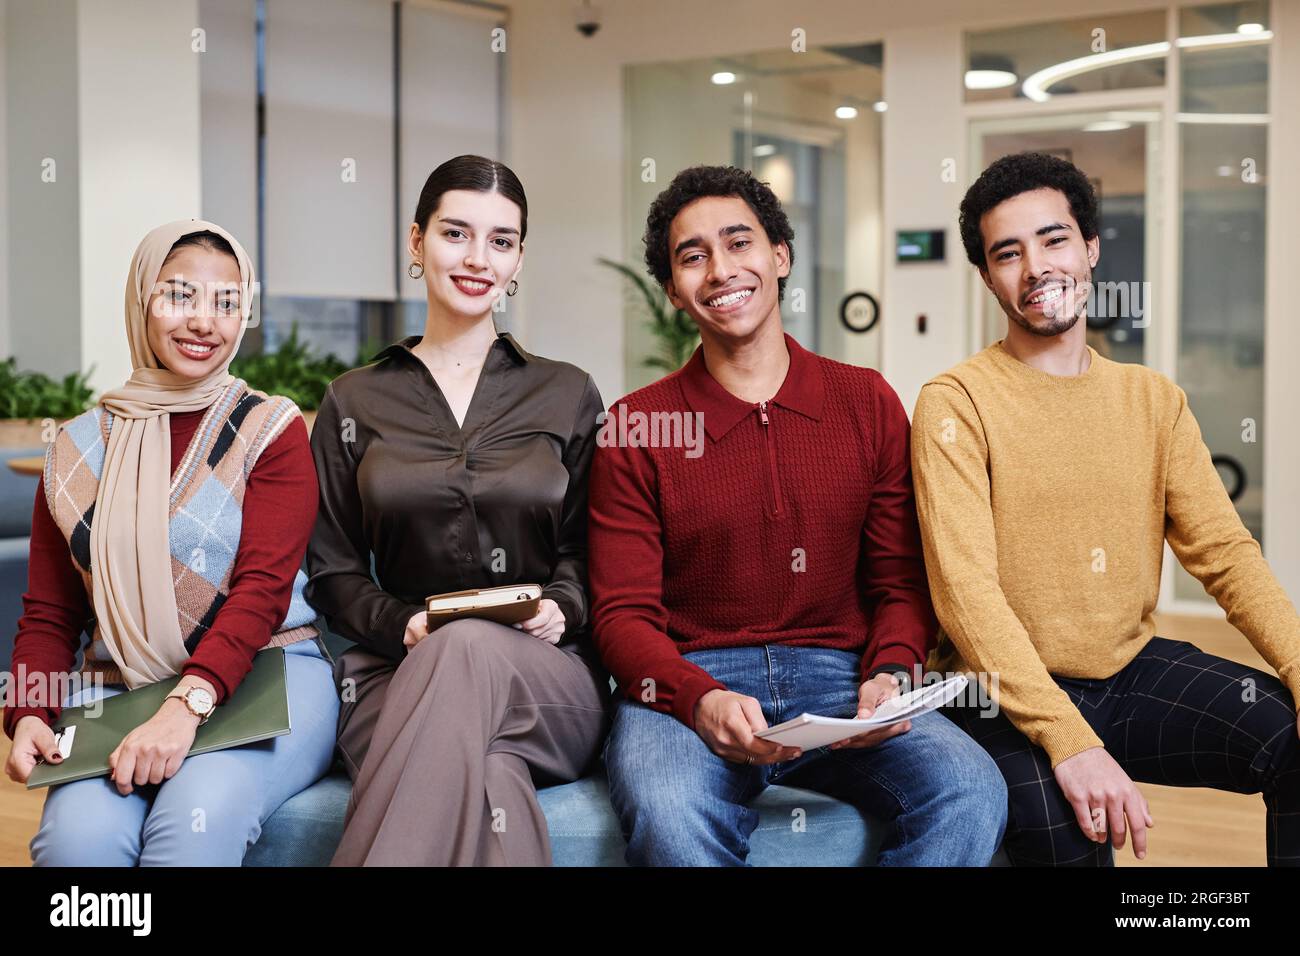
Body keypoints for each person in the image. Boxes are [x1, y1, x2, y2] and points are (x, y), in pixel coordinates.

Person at [587, 164, 1008, 866]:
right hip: (690, 681)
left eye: (739, 243)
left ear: (780, 257)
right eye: (694, 257)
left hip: (841, 678)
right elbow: (622, 619)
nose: (721, 270)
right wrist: (697, 698)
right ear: (672, 290)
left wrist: (892, 675)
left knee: (971, 790)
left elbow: (900, 582)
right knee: (669, 811)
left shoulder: (866, 401)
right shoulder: (636, 425)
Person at [914, 151, 1300, 866]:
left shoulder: (1152, 400)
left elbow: (1225, 553)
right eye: (1009, 252)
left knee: (1288, 732)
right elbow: (965, 596)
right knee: (1073, 829)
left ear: (1090, 249)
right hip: (994, 691)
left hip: (1125, 669)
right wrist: (1071, 741)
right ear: (987, 277)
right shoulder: (955, 402)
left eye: (1054, 239)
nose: (1035, 267)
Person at [2, 220, 338, 866]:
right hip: (119, 688)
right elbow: (51, 612)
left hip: (268, 675)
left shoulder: (270, 430)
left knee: (191, 827)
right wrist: (30, 714)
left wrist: (187, 705)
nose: (204, 322)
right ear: (141, 300)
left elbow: (262, 593)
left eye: (227, 302)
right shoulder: (74, 450)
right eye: (180, 295)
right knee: (76, 845)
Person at [307, 154, 611, 866]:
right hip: (391, 670)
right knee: (491, 780)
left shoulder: (567, 393)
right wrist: (402, 623)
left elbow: (594, 550)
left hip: (546, 672)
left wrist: (563, 605)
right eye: (456, 234)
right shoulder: (353, 400)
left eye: (501, 240)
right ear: (416, 243)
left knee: (470, 645)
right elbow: (333, 570)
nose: (478, 258)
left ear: (518, 259)